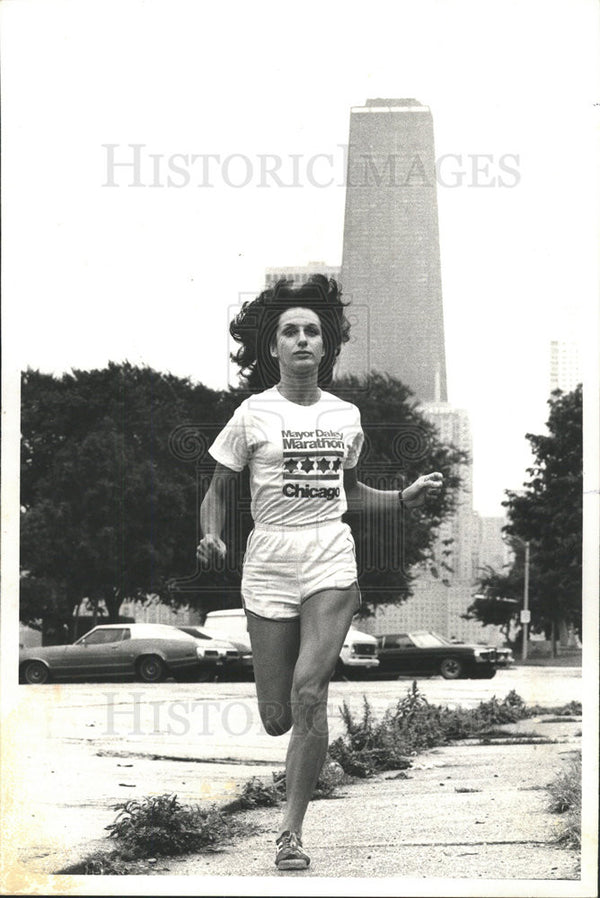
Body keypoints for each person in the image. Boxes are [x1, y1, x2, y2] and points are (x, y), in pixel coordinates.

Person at [197, 275, 443, 870]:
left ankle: (290, 833)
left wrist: (401, 498)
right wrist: (210, 533)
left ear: (326, 347)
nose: (303, 339)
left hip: (329, 553)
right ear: (273, 347)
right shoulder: (251, 414)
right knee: (278, 716)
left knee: (311, 691)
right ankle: (286, 746)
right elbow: (217, 490)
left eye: (312, 331)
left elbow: (348, 493)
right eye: (290, 332)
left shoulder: (346, 417)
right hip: (269, 560)